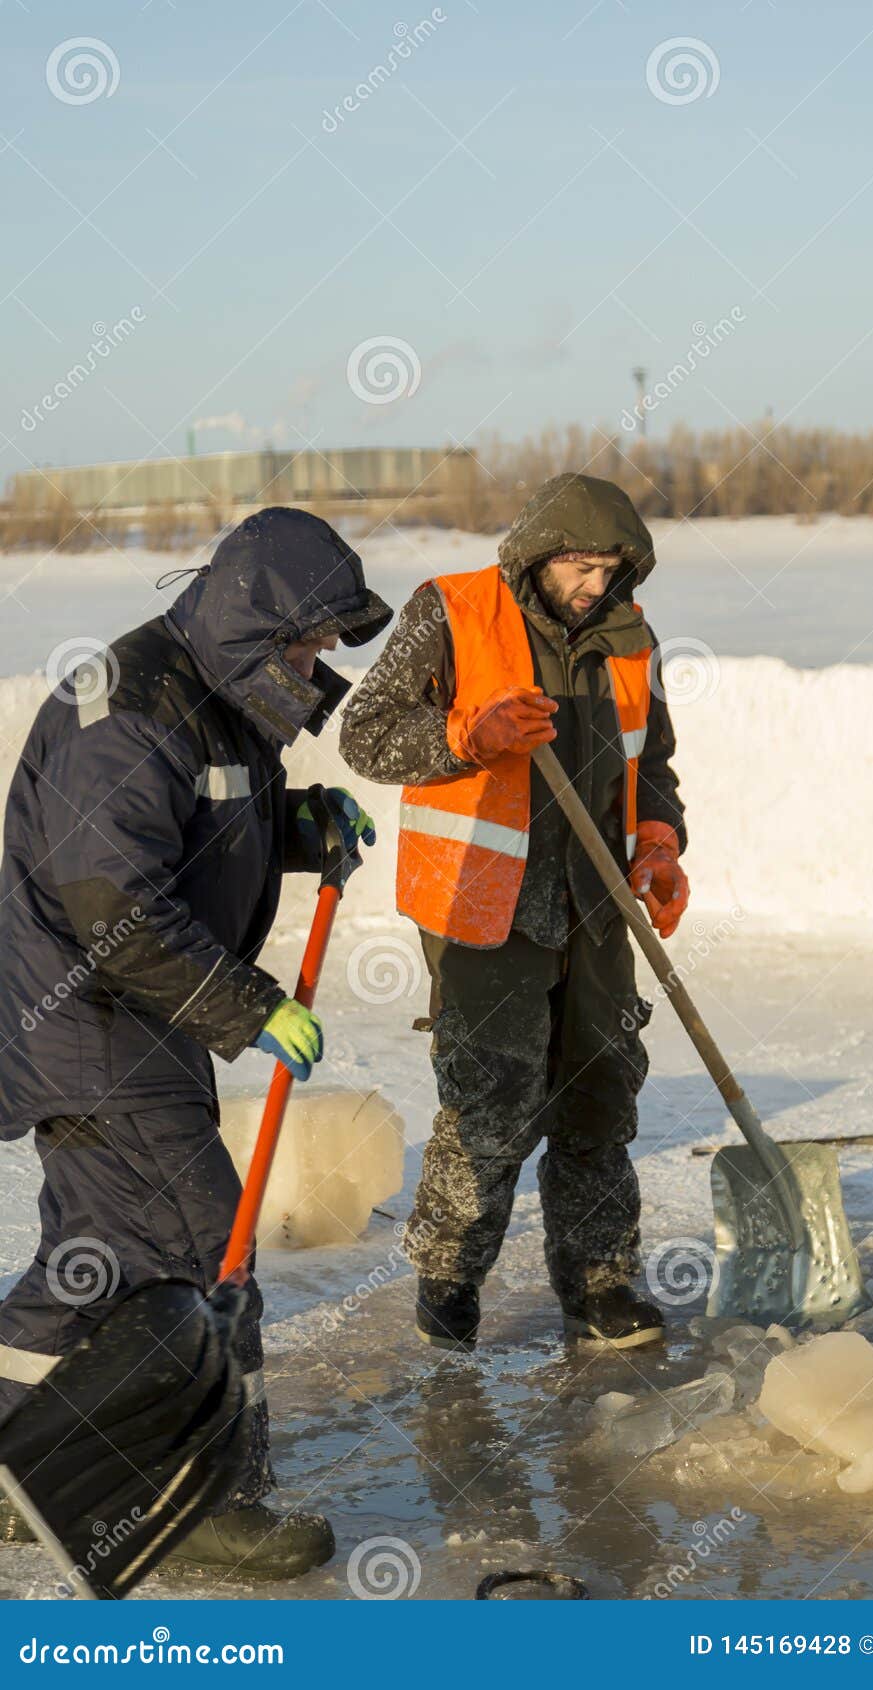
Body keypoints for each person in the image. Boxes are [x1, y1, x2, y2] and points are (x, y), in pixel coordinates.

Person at [0, 506, 390, 1576]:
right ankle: (212, 1495)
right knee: (201, 1243)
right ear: (256, 621)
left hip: (126, 1024)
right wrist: (247, 1004)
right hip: (93, 1025)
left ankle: (7, 1458)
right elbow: (111, 900)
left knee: (90, 1265)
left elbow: (203, 828)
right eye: (305, 643)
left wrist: (305, 826)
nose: (314, 666)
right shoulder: (128, 712)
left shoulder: (214, 697)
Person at [340, 473, 688, 1351]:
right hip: (483, 906)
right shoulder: (451, 611)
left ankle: (601, 1285)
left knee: (599, 1099)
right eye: (577, 564)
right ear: (537, 555)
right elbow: (365, 735)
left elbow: (652, 760)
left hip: (595, 905)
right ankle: (450, 1276)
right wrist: (467, 738)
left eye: (609, 567)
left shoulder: (628, 636)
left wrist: (659, 839)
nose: (592, 584)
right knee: (491, 1105)